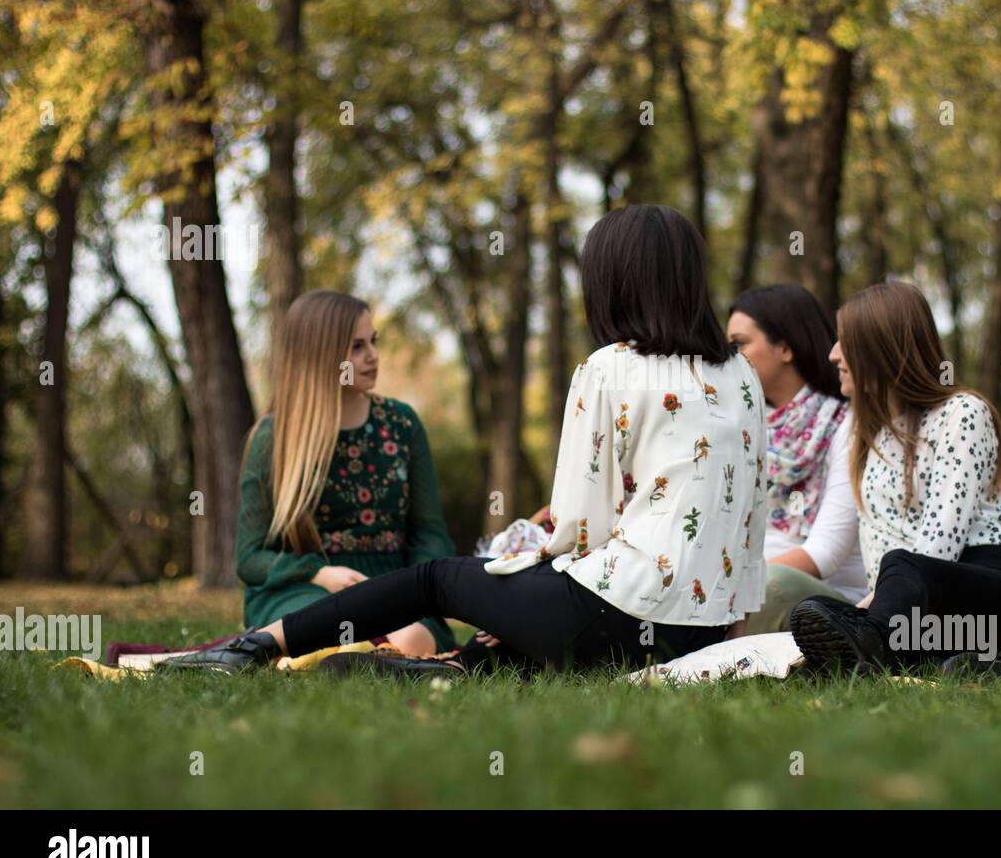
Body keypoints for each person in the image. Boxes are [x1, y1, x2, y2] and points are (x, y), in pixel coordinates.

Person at [163, 205, 768, 678]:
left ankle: (256, 645)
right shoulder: (742, 374)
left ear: (612, 283)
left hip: (611, 612)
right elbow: (751, 516)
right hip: (699, 630)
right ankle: (445, 671)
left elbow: (578, 533)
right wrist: (728, 633)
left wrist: (512, 585)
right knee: (521, 630)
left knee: (438, 579)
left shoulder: (608, 367)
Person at [790, 282, 1001, 677]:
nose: (834, 354)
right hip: (915, 619)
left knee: (902, 567)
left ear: (882, 348)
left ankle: (867, 647)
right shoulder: (861, 433)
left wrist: (872, 611)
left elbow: (940, 542)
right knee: (821, 610)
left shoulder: (963, 414)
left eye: (845, 342)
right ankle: (960, 665)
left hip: (988, 605)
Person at [234, 289, 456, 657]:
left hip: (394, 586)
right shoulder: (274, 437)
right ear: (321, 356)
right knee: (326, 630)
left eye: (373, 341)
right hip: (304, 589)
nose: (373, 356)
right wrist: (318, 573)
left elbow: (430, 535)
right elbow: (249, 558)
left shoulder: (402, 424)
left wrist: (417, 589)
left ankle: (365, 654)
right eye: (356, 346)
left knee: (411, 640)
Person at [725, 284, 868, 635]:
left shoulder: (847, 426)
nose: (728, 358)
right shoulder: (743, 429)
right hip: (747, 588)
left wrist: (730, 590)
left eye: (739, 344)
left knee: (771, 585)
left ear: (785, 349)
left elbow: (826, 553)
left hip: (820, 596)